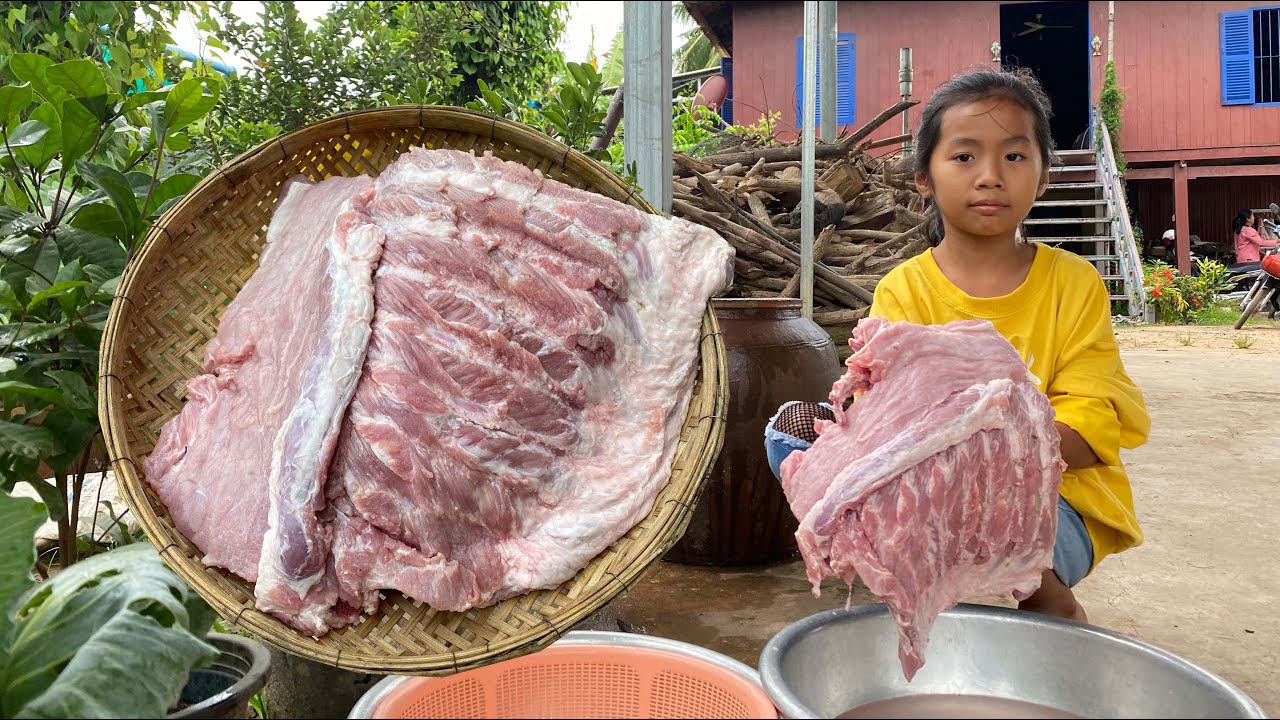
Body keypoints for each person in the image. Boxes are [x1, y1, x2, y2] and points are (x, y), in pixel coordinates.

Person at [764, 67, 1150, 624]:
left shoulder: (1074, 284)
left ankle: (1047, 597)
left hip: (1052, 503)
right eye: (965, 156)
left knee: (970, 489)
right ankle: (917, 567)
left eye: (1014, 156)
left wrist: (987, 455)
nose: (990, 176)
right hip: (929, 495)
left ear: (1043, 176)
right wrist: (938, 455)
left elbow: (1093, 421)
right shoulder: (904, 289)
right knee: (789, 433)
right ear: (925, 177)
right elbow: (883, 423)